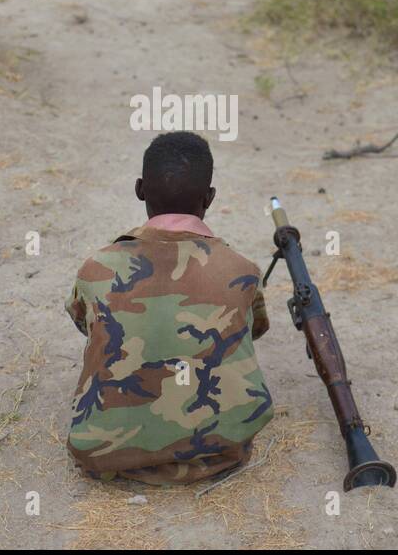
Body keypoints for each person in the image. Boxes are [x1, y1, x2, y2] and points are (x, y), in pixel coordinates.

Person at [64, 131, 274, 485]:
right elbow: (252, 331)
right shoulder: (243, 271)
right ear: (209, 198)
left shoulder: (96, 268)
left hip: (105, 452)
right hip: (220, 450)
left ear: (140, 189)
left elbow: (87, 325)